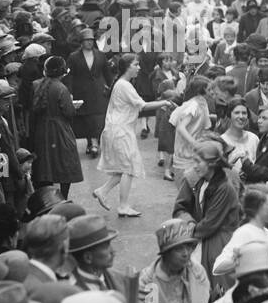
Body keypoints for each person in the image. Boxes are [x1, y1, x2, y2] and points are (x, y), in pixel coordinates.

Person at [93, 55, 164, 218]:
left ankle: (102, 191)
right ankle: (123, 206)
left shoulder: (122, 84)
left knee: (124, 168)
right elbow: (143, 105)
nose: (139, 68)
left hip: (118, 129)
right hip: (120, 131)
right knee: (129, 168)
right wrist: (165, 102)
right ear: (127, 67)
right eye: (136, 65)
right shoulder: (124, 85)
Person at [172, 139, 241, 286]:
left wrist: (186, 235)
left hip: (220, 243)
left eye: (198, 162)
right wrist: (189, 221)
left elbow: (210, 224)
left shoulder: (225, 188)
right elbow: (180, 208)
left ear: (212, 163)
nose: (194, 166)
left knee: (218, 287)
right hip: (203, 238)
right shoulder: (202, 181)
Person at [28, 56, 84, 200]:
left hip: (41, 129)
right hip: (59, 130)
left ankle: (47, 199)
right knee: (65, 164)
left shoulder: (35, 85)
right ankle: (62, 198)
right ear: (62, 72)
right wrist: (73, 106)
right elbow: (69, 112)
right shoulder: (61, 88)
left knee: (45, 165)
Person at [138, 218, 211, 303]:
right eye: (178, 249)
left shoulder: (197, 272)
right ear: (166, 253)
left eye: (188, 247)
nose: (186, 253)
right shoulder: (148, 282)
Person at [66, 28, 113, 158]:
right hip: (82, 91)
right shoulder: (74, 57)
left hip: (98, 91)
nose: (89, 43)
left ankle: (95, 142)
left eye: (91, 40)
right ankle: (90, 142)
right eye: (86, 41)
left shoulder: (100, 55)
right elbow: (69, 76)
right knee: (86, 118)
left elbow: (107, 73)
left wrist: (112, 87)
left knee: (98, 117)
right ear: (81, 42)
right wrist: (69, 91)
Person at [169, 77, 212, 181]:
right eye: (209, 89)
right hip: (185, 158)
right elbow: (181, 127)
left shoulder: (202, 103)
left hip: (193, 156)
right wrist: (195, 143)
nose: (212, 91)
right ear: (201, 90)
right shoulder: (194, 105)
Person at [217, 97, 259, 177]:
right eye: (237, 113)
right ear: (229, 114)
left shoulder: (254, 138)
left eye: (244, 113)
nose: (241, 116)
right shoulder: (222, 141)